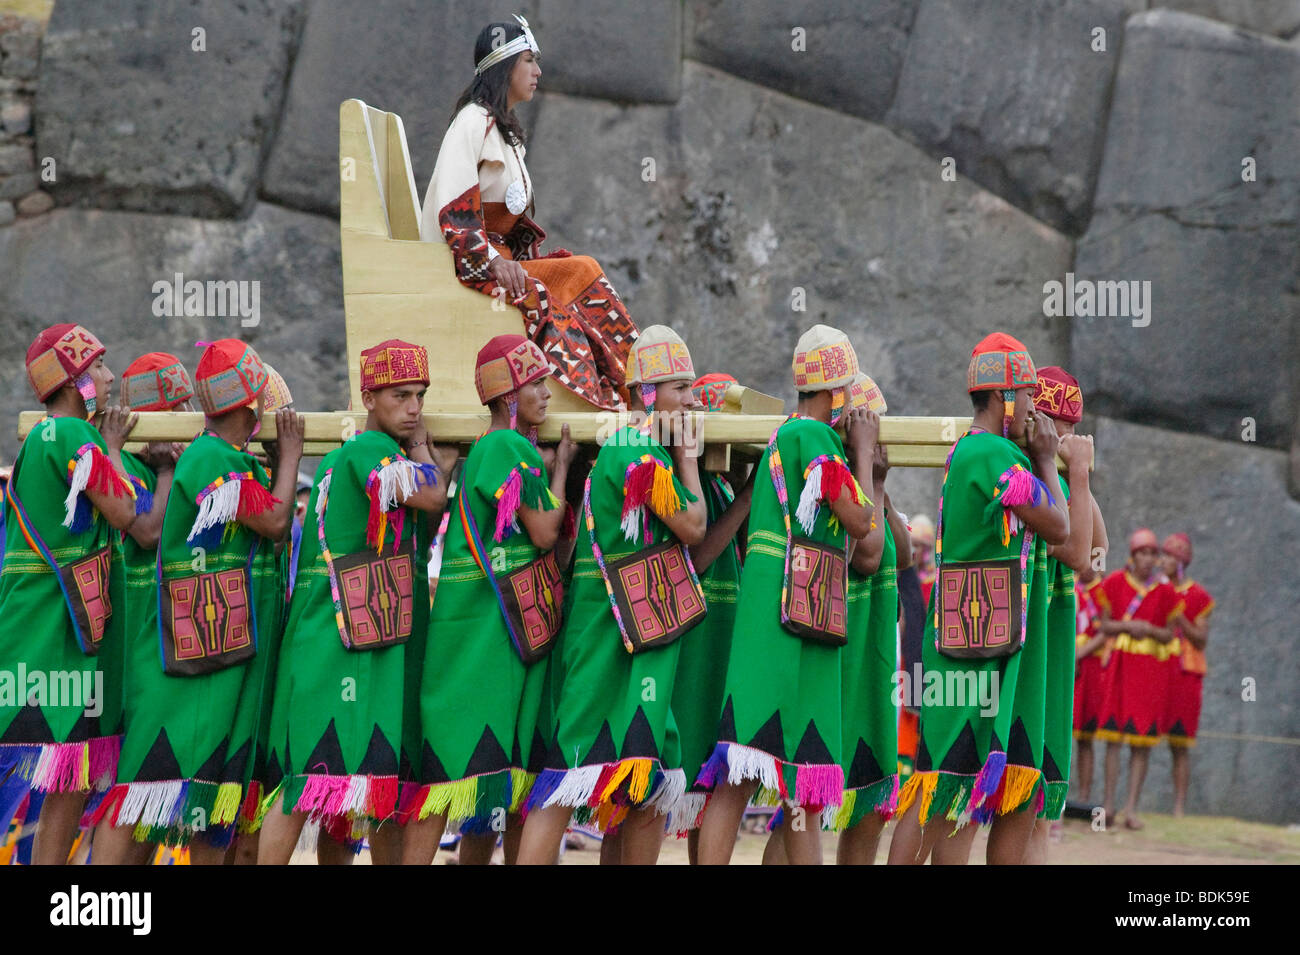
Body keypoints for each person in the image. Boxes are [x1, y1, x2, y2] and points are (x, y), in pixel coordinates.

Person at [92, 340, 303, 864]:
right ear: (252, 402)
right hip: (185, 648)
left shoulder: (226, 457)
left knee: (209, 790)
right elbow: (276, 523)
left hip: (219, 646)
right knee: (142, 785)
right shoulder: (209, 458)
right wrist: (293, 455)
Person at [259, 340, 454, 865]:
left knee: (363, 782)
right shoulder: (370, 451)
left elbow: (426, 520)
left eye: (420, 396)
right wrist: (426, 453)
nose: (413, 407)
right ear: (369, 398)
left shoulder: (372, 454)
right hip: (336, 636)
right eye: (400, 395)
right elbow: (433, 497)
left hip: (362, 631)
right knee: (310, 777)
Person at [518, 325, 707, 865]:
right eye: (677, 388)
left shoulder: (646, 449)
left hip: (638, 642)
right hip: (607, 642)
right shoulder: (634, 449)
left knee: (643, 776)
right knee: (568, 776)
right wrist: (690, 456)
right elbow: (692, 527)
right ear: (644, 395)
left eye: (690, 388)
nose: (689, 401)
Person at [695, 325, 877, 866]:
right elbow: (861, 521)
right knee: (746, 771)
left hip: (789, 622)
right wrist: (863, 454)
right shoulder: (814, 439)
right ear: (838, 392)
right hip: (788, 630)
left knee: (794, 780)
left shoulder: (783, 438)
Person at [887, 332, 1068, 866]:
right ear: (1004, 397)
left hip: (972, 639)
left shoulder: (981, 451)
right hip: (971, 647)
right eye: (1029, 397)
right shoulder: (991, 452)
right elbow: (1057, 524)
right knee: (945, 793)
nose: (1035, 410)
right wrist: (1051, 461)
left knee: (944, 791)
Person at [401, 334, 575, 866]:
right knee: (458, 770)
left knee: (474, 776)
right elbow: (546, 533)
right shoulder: (506, 446)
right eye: (535, 384)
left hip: (479, 623)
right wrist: (563, 466)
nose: (546, 394)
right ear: (507, 399)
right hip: (488, 632)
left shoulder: (491, 448)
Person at [421, 15, 638, 412]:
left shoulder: (503, 130)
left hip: (498, 263)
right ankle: (617, 393)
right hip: (466, 267)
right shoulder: (473, 123)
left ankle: (636, 382)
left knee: (581, 269)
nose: (538, 71)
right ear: (505, 66)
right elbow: (454, 216)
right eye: (529, 61)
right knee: (570, 278)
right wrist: (490, 259)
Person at [0, 325, 144, 865]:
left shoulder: (42, 435)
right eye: (100, 371)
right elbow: (131, 519)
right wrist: (115, 450)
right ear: (76, 383)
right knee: (65, 771)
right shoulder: (73, 437)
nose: (109, 380)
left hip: (42, 617)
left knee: (67, 771)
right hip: (55, 625)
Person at [84, 353, 193, 864]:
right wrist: (169, 471)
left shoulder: (148, 463)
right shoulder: (125, 464)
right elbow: (150, 532)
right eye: (179, 411)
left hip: (156, 638)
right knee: (133, 784)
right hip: (131, 643)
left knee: (152, 787)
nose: (188, 420)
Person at [1023, 366, 1105, 864]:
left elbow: (1099, 556)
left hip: (1046, 644)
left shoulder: (1052, 469)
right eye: (1059, 427)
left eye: (1072, 429)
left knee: (1037, 805)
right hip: (1014, 644)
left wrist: (1081, 474)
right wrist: (1072, 471)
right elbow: (1077, 554)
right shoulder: (1018, 467)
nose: (1065, 438)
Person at [672, 373, 754, 863]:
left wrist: (743, 488)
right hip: (696, 646)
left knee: (712, 780)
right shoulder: (696, 483)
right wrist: (747, 496)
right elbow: (698, 558)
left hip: (722, 642)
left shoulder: (719, 485)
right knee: (679, 777)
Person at [831, 374, 911, 865]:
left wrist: (881, 487)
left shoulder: (868, 486)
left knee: (871, 799)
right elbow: (866, 556)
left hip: (874, 657)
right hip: (843, 654)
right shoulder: (838, 480)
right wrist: (873, 479)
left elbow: (901, 555)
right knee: (813, 795)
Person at [1094, 528, 1181, 830]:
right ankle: (1107, 806)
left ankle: (1131, 809)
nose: (1147, 559)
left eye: (1151, 554)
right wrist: (1128, 627)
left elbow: (1170, 633)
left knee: (1141, 742)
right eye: (1141, 553)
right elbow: (1104, 625)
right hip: (1120, 664)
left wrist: (1150, 629)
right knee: (1113, 739)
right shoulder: (1115, 583)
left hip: (1149, 670)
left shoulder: (1166, 591)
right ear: (1132, 557)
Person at [1159, 533, 1214, 817]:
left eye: (1168, 556)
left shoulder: (1199, 596)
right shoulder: (1156, 589)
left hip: (1185, 671)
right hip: (1158, 668)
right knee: (1139, 738)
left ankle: (1179, 807)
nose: (1162, 561)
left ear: (1180, 562)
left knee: (1179, 743)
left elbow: (1201, 640)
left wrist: (1179, 616)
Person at [1071, 565, 1107, 801]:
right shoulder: (1069, 586)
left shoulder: (1103, 591)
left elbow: (1105, 629)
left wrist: (1080, 654)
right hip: (1066, 661)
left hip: (1091, 666)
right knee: (1061, 732)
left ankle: (1084, 798)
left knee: (1086, 736)